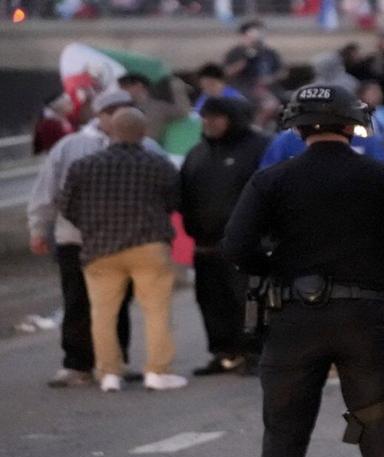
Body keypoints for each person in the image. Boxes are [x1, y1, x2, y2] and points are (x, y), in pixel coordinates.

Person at [221, 84, 384, 457]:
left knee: (284, 433)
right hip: (368, 318)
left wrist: (275, 273)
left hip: (290, 319)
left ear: (295, 127)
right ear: (353, 124)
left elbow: (235, 248)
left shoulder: (270, 180)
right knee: (379, 426)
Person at [27, 88, 163, 388]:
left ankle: (115, 363)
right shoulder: (71, 146)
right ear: (97, 114)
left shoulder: (148, 147)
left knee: (117, 305)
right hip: (76, 239)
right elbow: (49, 190)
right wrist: (39, 228)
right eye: (110, 110)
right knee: (77, 302)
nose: (117, 116)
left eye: (124, 109)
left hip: (127, 239)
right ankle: (78, 364)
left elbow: (166, 189)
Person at [57, 107, 188, 393]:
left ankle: (109, 374)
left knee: (102, 314)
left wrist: (93, 225)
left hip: (100, 247)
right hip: (149, 245)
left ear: (110, 131)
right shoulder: (158, 164)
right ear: (143, 133)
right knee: (156, 312)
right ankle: (157, 371)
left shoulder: (84, 166)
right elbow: (174, 201)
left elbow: (67, 206)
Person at [180, 95, 271, 377]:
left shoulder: (259, 147)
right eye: (206, 117)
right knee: (211, 301)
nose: (210, 122)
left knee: (249, 300)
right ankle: (224, 352)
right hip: (206, 245)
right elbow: (183, 192)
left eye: (216, 117)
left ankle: (255, 352)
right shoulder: (197, 153)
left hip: (247, 244)